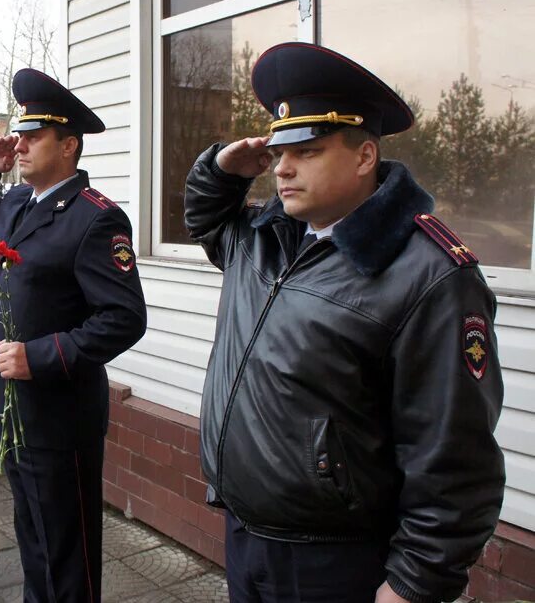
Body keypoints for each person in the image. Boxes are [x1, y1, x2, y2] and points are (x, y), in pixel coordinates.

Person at [183, 42, 505, 603]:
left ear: (363, 157)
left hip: (336, 562)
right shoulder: (262, 239)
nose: (282, 166)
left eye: (307, 150)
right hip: (245, 535)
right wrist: (220, 167)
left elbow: (454, 453)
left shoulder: (427, 274)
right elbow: (204, 215)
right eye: (279, 150)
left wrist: (415, 583)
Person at [0, 68, 147, 603]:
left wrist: (40, 356)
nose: (19, 144)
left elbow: (122, 317)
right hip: (11, 403)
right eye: (18, 134)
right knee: (33, 533)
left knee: (67, 548)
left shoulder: (96, 220)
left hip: (56, 411)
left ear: (68, 146)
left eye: (33, 136)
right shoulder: (19, 201)